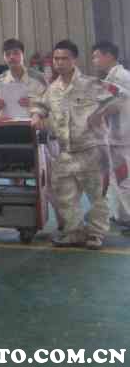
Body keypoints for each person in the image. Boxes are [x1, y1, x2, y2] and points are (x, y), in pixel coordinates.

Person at [30, 40, 125, 250]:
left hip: (90, 150)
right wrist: (36, 115)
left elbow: (121, 96)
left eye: (64, 58)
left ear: (74, 60)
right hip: (65, 153)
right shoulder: (53, 89)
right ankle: (74, 232)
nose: (59, 63)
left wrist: (100, 114)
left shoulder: (91, 84)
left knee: (97, 196)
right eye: (56, 59)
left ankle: (96, 234)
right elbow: (41, 105)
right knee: (64, 196)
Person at [91, 41, 130, 232]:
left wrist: (99, 113)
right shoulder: (112, 77)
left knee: (124, 180)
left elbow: (121, 100)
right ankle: (122, 215)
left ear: (109, 56)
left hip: (124, 137)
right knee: (116, 179)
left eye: (96, 56)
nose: (94, 60)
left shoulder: (121, 77)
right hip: (117, 136)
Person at [0, 38, 47, 118]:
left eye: (16, 53)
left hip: (33, 124)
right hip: (7, 124)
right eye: (7, 54)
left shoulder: (38, 78)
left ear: (23, 55)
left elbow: (49, 104)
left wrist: (32, 103)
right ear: (4, 57)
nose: (12, 57)